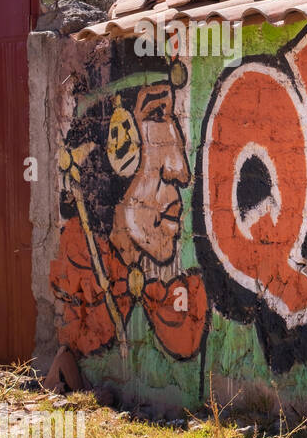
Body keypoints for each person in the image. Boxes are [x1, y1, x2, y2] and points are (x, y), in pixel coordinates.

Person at [49, 39, 208, 361]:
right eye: (157, 113)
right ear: (117, 143)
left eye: (172, 115)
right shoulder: (76, 263)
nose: (181, 170)